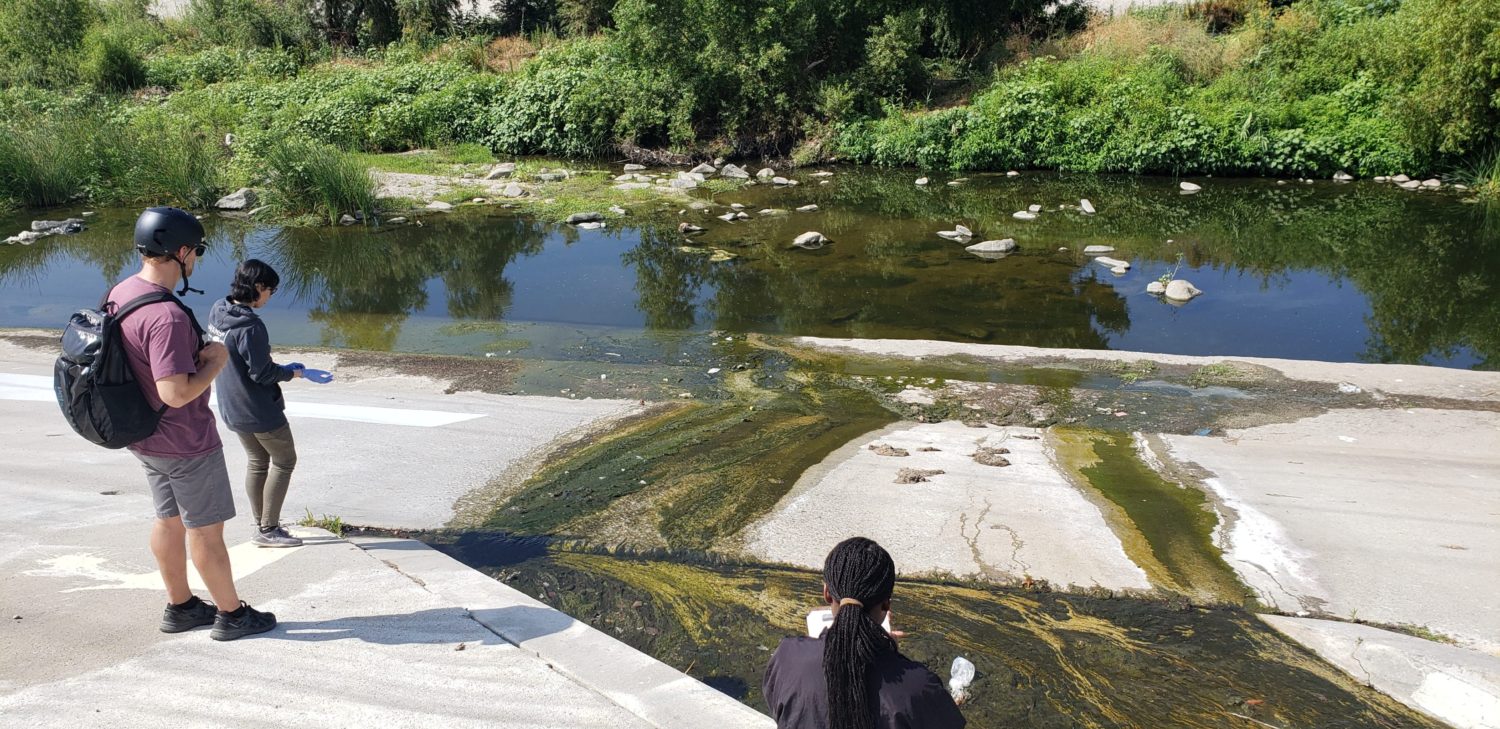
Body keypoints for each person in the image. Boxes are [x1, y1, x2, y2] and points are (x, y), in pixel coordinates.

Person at [111, 206, 277, 641]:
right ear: (181, 251)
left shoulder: (122, 292)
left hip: (145, 435)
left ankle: (181, 606)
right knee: (206, 531)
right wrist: (215, 362)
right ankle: (232, 614)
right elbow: (176, 392)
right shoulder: (164, 316)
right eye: (198, 251)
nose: (198, 259)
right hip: (185, 441)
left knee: (168, 521)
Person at [762, 537, 965, 729]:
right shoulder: (919, 687)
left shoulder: (787, 658)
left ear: (826, 593)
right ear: (887, 603)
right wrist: (890, 656)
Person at [208, 259, 304, 548]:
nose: (270, 296)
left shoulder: (218, 310)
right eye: (270, 291)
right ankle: (268, 528)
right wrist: (291, 373)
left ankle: (261, 523)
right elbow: (261, 373)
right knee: (285, 461)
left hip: (231, 406)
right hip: (259, 411)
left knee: (258, 461)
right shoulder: (251, 327)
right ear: (258, 287)